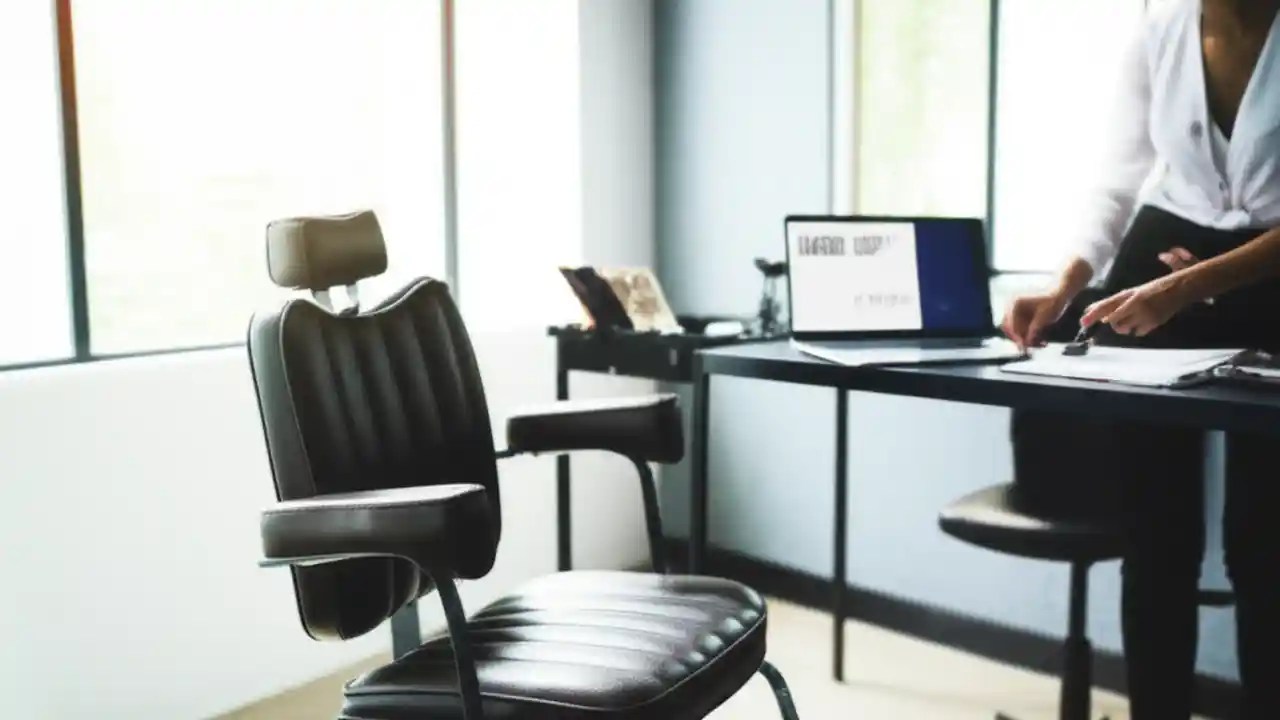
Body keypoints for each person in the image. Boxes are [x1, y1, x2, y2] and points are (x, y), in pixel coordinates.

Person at [1001, 0, 1280, 717]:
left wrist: (1189, 286)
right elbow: (1118, 180)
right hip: (1160, 258)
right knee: (1153, 530)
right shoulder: (1160, 30)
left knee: (1265, 540)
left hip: (1256, 275)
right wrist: (1065, 287)